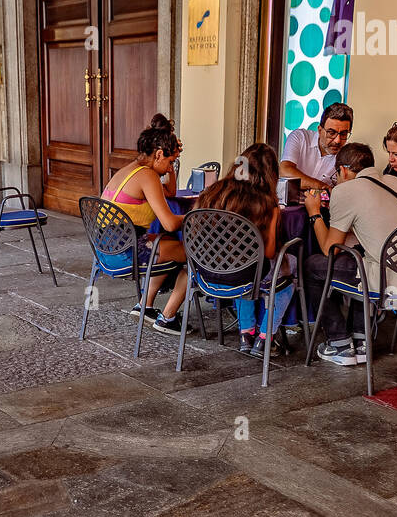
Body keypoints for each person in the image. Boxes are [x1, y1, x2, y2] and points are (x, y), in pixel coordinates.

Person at [303, 141, 397, 366]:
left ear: (343, 170)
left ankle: (339, 344)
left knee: (313, 265)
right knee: (362, 257)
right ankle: (362, 340)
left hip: (392, 280)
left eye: (337, 174)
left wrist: (314, 212)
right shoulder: (395, 181)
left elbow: (330, 249)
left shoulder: (346, 189)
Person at [100, 113, 187, 336]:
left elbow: (170, 192)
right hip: (126, 253)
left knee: (165, 244)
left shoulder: (131, 169)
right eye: (169, 162)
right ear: (159, 154)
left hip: (106, 250)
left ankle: (144, 306)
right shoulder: (147, 175)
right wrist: (193, 219)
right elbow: (168, 223)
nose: (170, 168)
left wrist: (171, 167)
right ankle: (167, 318)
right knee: (193, 252)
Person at [203, 148, 294, 358]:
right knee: (288, 270)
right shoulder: (268, 204)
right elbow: (270, 252)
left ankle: (246, 333)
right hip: (244, 274)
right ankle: (265, 338)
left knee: (241, 267)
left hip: (206, 273)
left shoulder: (213, 192)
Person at [280, 102, 354, 192]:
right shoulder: (300, 137)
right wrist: (322, 186)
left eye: (343, 134)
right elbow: (284, 171)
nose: (337, 140)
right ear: (319, 130)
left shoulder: (348, 156)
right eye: (331, 133)